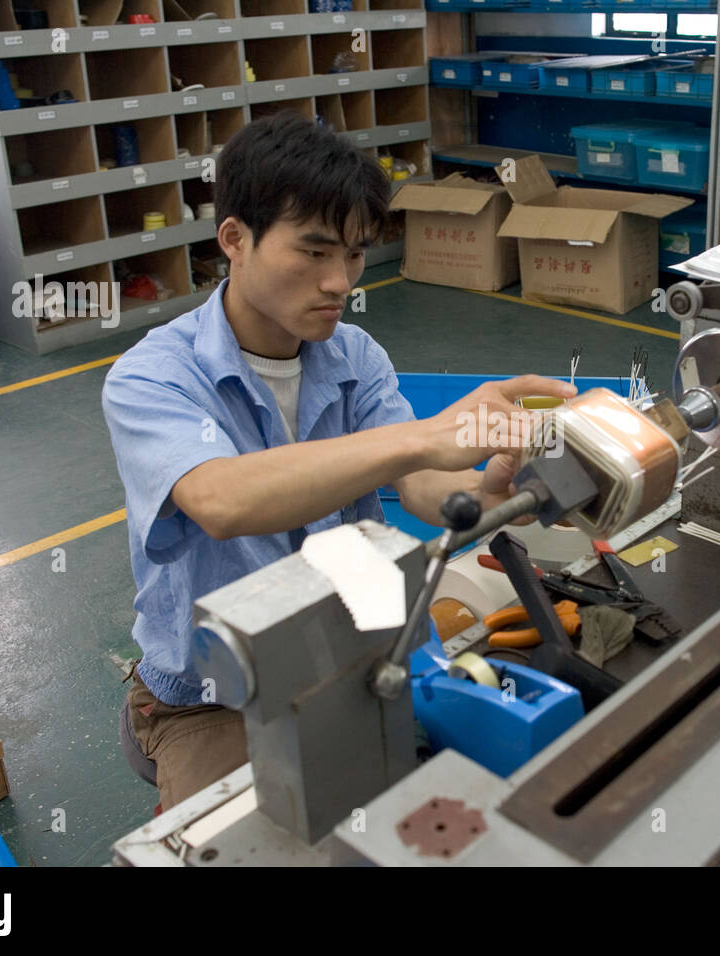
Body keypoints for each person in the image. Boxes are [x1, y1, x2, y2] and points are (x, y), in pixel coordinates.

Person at [101, 110, 574, 810]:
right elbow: (223, 501)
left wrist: (486, 482)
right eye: (315, 252)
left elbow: (419, 489)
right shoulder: (153, 378)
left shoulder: (354, 357)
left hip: (347, 657)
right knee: (243, 848)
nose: (340, 281)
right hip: (210, 697)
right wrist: (420, 437)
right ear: (235, 239)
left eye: (354, 254)